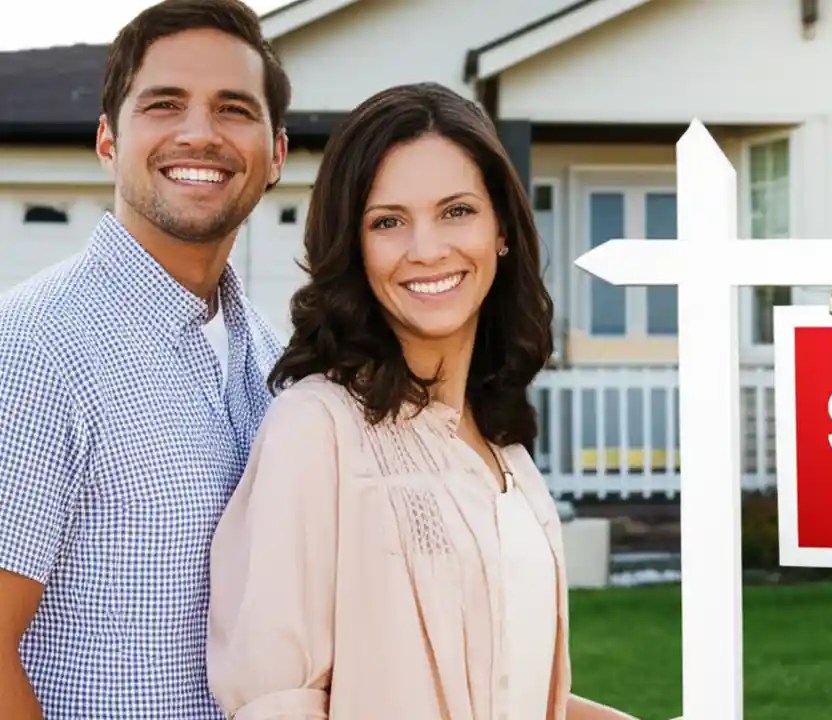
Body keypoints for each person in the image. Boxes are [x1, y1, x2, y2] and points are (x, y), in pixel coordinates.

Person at [204, 82, 636, 720]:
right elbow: (277, 702)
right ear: (354, 247)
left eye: (456, 211)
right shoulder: (317, 428)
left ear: (501, 230)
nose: (427, 249)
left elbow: (511, 690)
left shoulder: (503, 450)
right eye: (388, 222)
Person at [0, 1, 290, 718]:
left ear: (277, 153)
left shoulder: (270, 358)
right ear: (108, 140)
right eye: (165, 104)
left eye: (234, 109)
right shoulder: (34, 347)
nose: (200, 133)